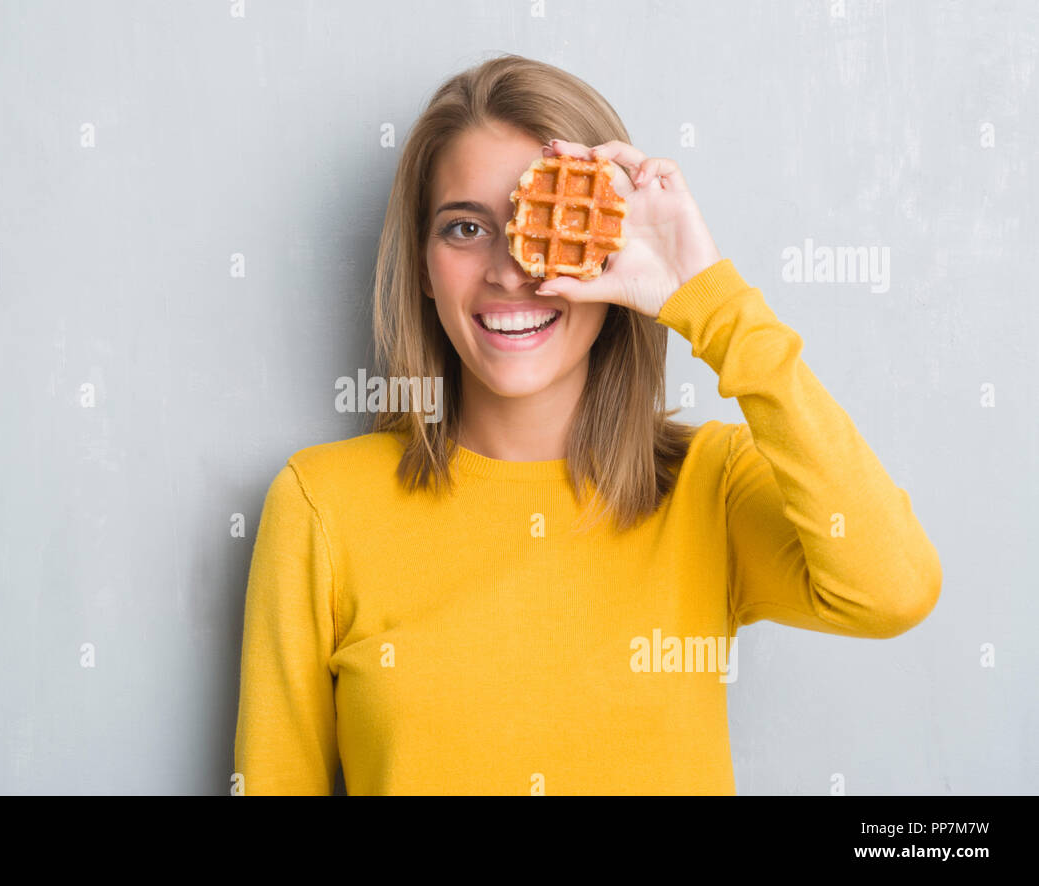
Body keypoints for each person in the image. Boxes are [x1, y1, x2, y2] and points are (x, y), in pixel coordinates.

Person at [232, 54, 941, 795]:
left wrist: (711, 300)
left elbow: (894, 589)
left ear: (609, 244)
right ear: (420, 266)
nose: (511, 270)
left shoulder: (710, 487)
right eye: (466, 227)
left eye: (541, 226)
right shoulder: (323, 508)